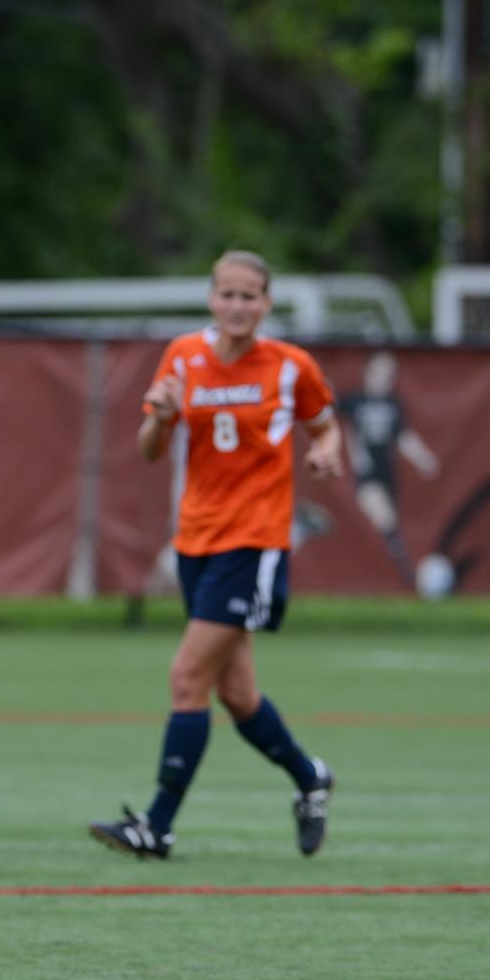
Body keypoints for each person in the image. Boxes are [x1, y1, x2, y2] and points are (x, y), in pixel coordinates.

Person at [90, 252, 342, 860]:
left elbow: (326, 426)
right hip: (196, 540)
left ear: (266, 303)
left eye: (249, 296)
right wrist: (164, 414)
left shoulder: (289, 366)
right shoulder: (182, 356)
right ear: (211, 299)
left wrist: (326, 453)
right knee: (238, 696)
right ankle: (310, 778)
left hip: (253, 542)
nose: (237, 306)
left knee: (187, 678)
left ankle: (158, 825)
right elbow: (151, 446)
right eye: (227, 294)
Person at [340, 350, 441, 583]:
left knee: (389, 523)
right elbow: (333, 420)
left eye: (391, 372)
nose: (386, 377)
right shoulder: (355, 401)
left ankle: (395, 577)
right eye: (381, 370)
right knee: (386, 521)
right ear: (368, 372)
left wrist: (422, 457)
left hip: (388, 475)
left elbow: (402, 436)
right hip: (366, 474)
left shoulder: (394, 404)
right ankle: (406, 576)